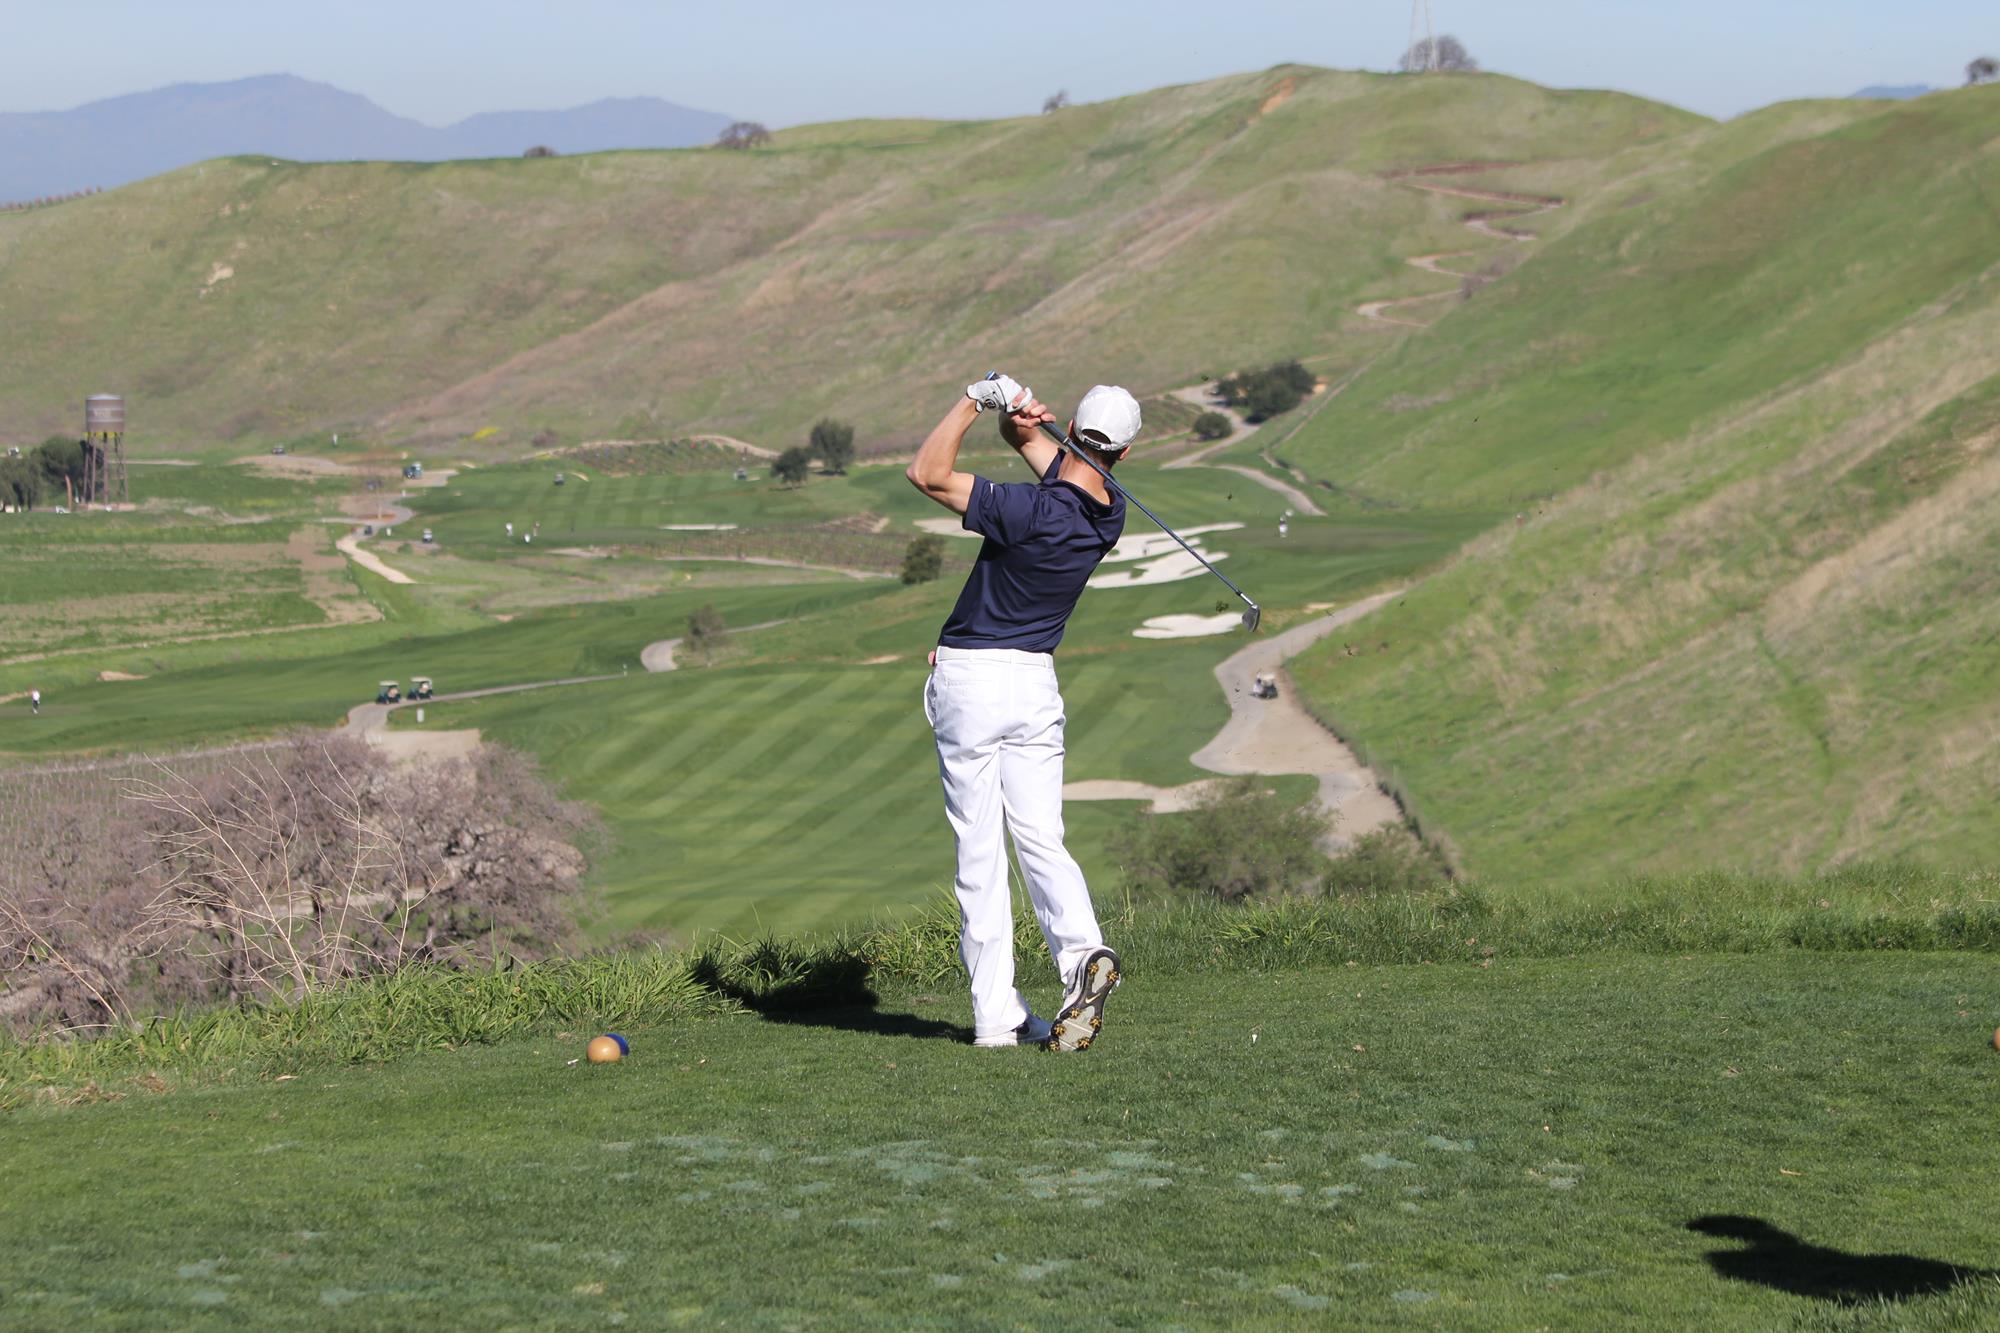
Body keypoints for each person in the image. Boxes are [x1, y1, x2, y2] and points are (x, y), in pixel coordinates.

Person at [905, 374, 1138, 1051]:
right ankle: (1081, 954)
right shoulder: (1108, 515)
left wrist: (974, 401)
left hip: (973, 679)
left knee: (980, 853)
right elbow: (1049, 457)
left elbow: (926, 471)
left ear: (1074, 433)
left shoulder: (1020, 510)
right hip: (1035, 684)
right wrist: (1019, 419)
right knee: (1041, 835)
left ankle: (996, 1017)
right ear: (1124, 455)